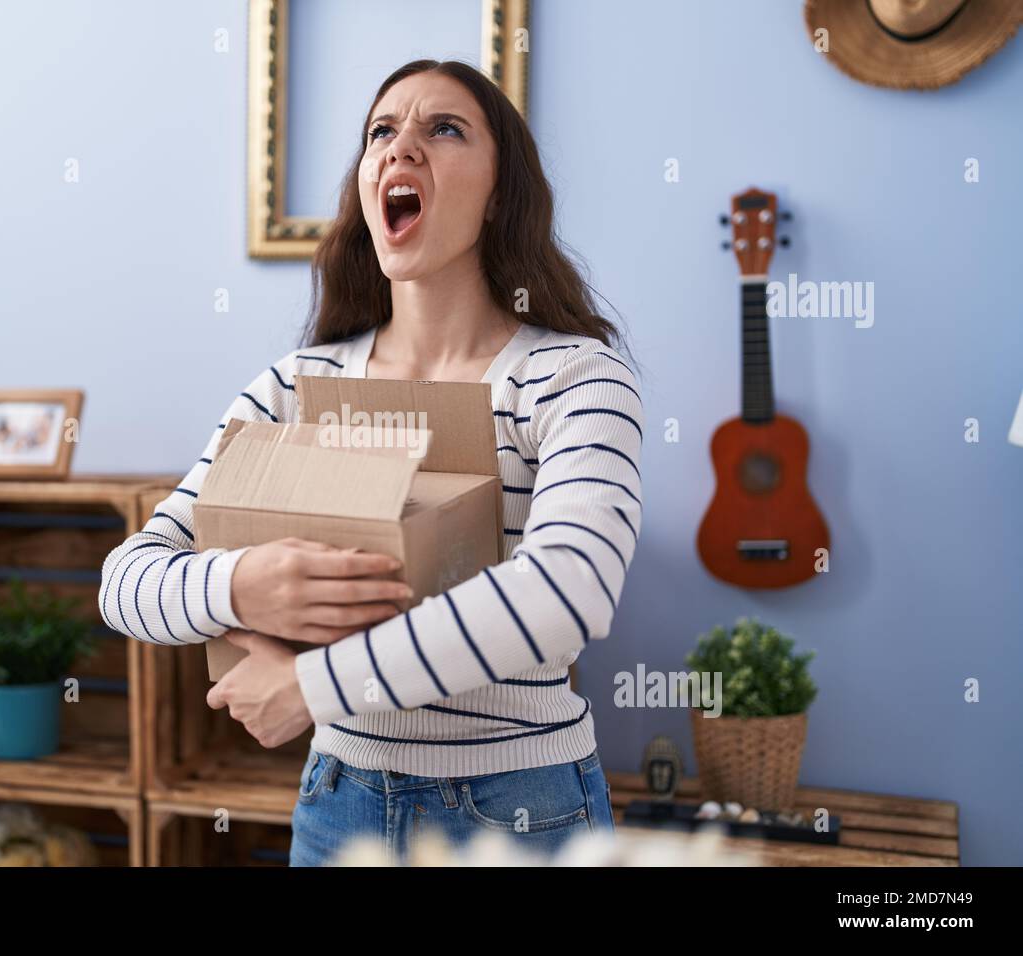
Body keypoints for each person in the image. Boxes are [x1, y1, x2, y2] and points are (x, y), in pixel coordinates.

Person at [99, 59, 643, 866]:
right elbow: (126, 581)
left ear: (502, 195)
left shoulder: (572, 378)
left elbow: (570, 590)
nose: (401, 149)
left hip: (523, 811)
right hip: (338, 805)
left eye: (444, 129)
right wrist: (244, 583)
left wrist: (317, 687)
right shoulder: (295, 387)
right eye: (381, 132)